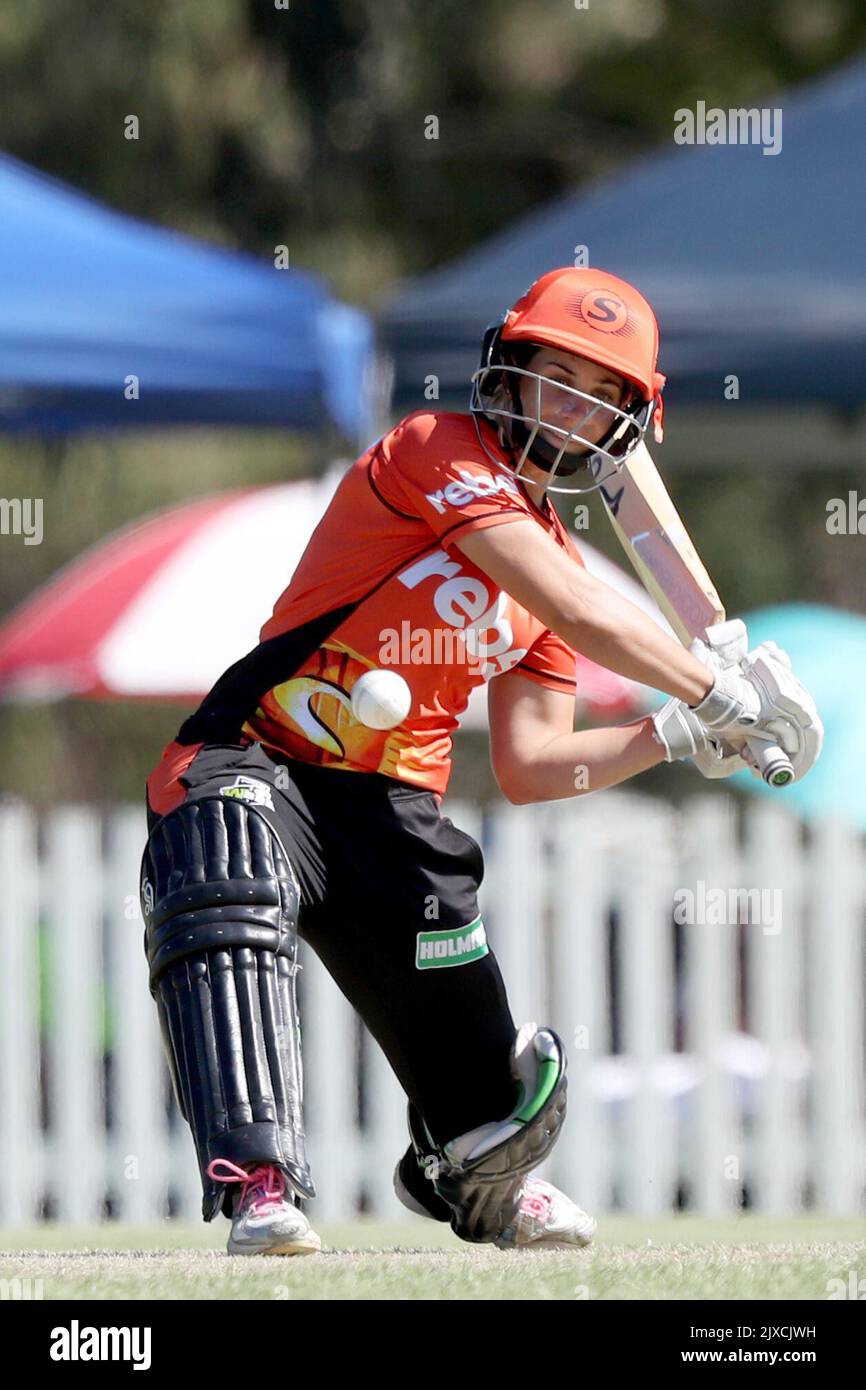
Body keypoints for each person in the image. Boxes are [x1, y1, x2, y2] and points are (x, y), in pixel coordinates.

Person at [139, 266, 821, 1256]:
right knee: (225, 860)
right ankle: (260, 1187)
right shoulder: (430, 451)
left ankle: (478, 1177)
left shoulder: (546, 571)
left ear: (622, 429)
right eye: (553, 375)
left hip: (390, 811)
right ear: (503, 373)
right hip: (258, 757)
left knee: (492, 1094)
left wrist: (669, 735)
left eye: (597, 396)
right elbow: (580, 602)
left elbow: (532, 765)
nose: (566, 407)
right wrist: (713, 687)